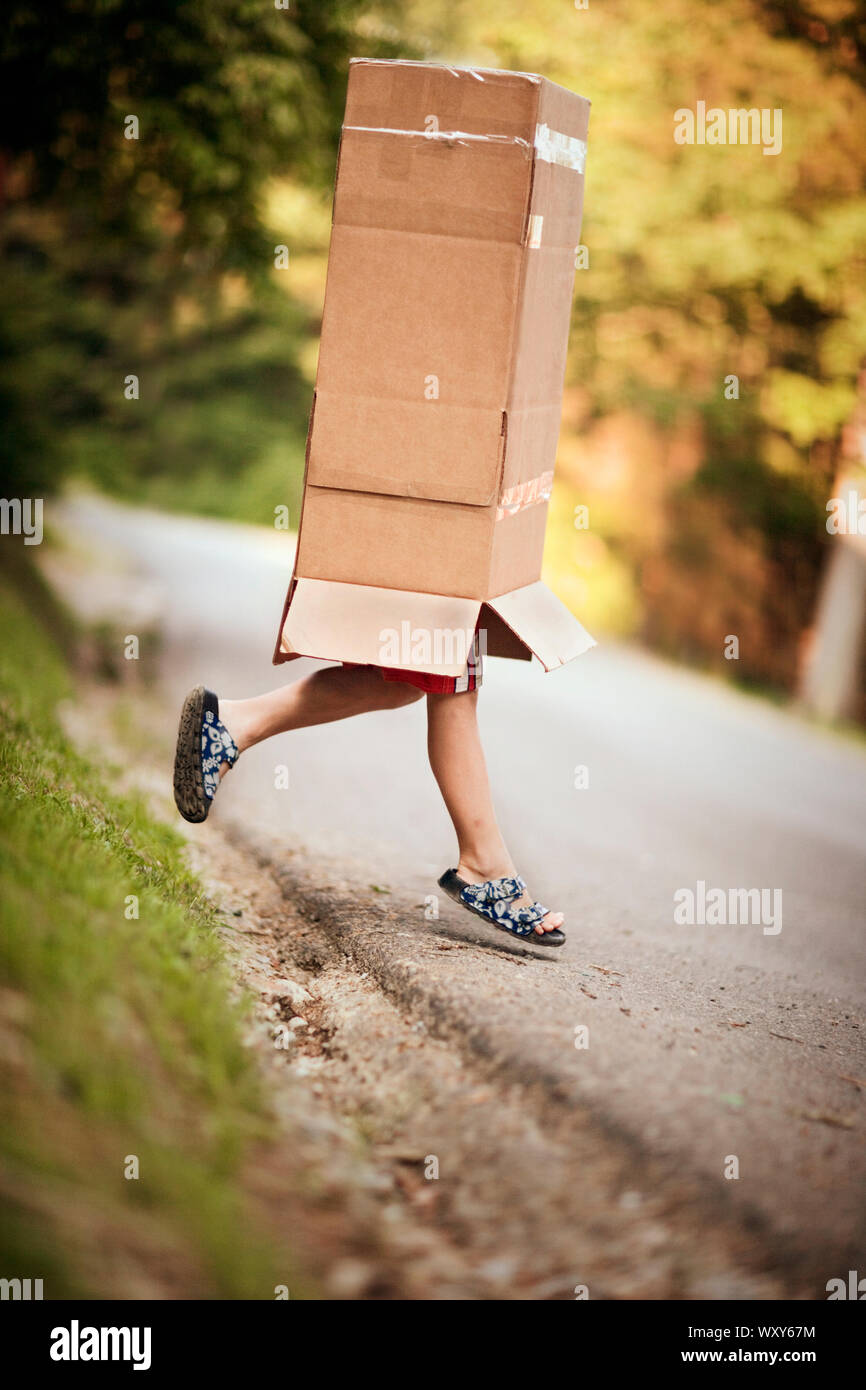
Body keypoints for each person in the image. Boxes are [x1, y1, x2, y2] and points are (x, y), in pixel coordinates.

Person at [172, 636, 565, 947]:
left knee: (413, 675)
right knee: (448, 670)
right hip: (444, 541)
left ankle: (233, 721)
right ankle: (485, 864)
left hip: (444, 543)